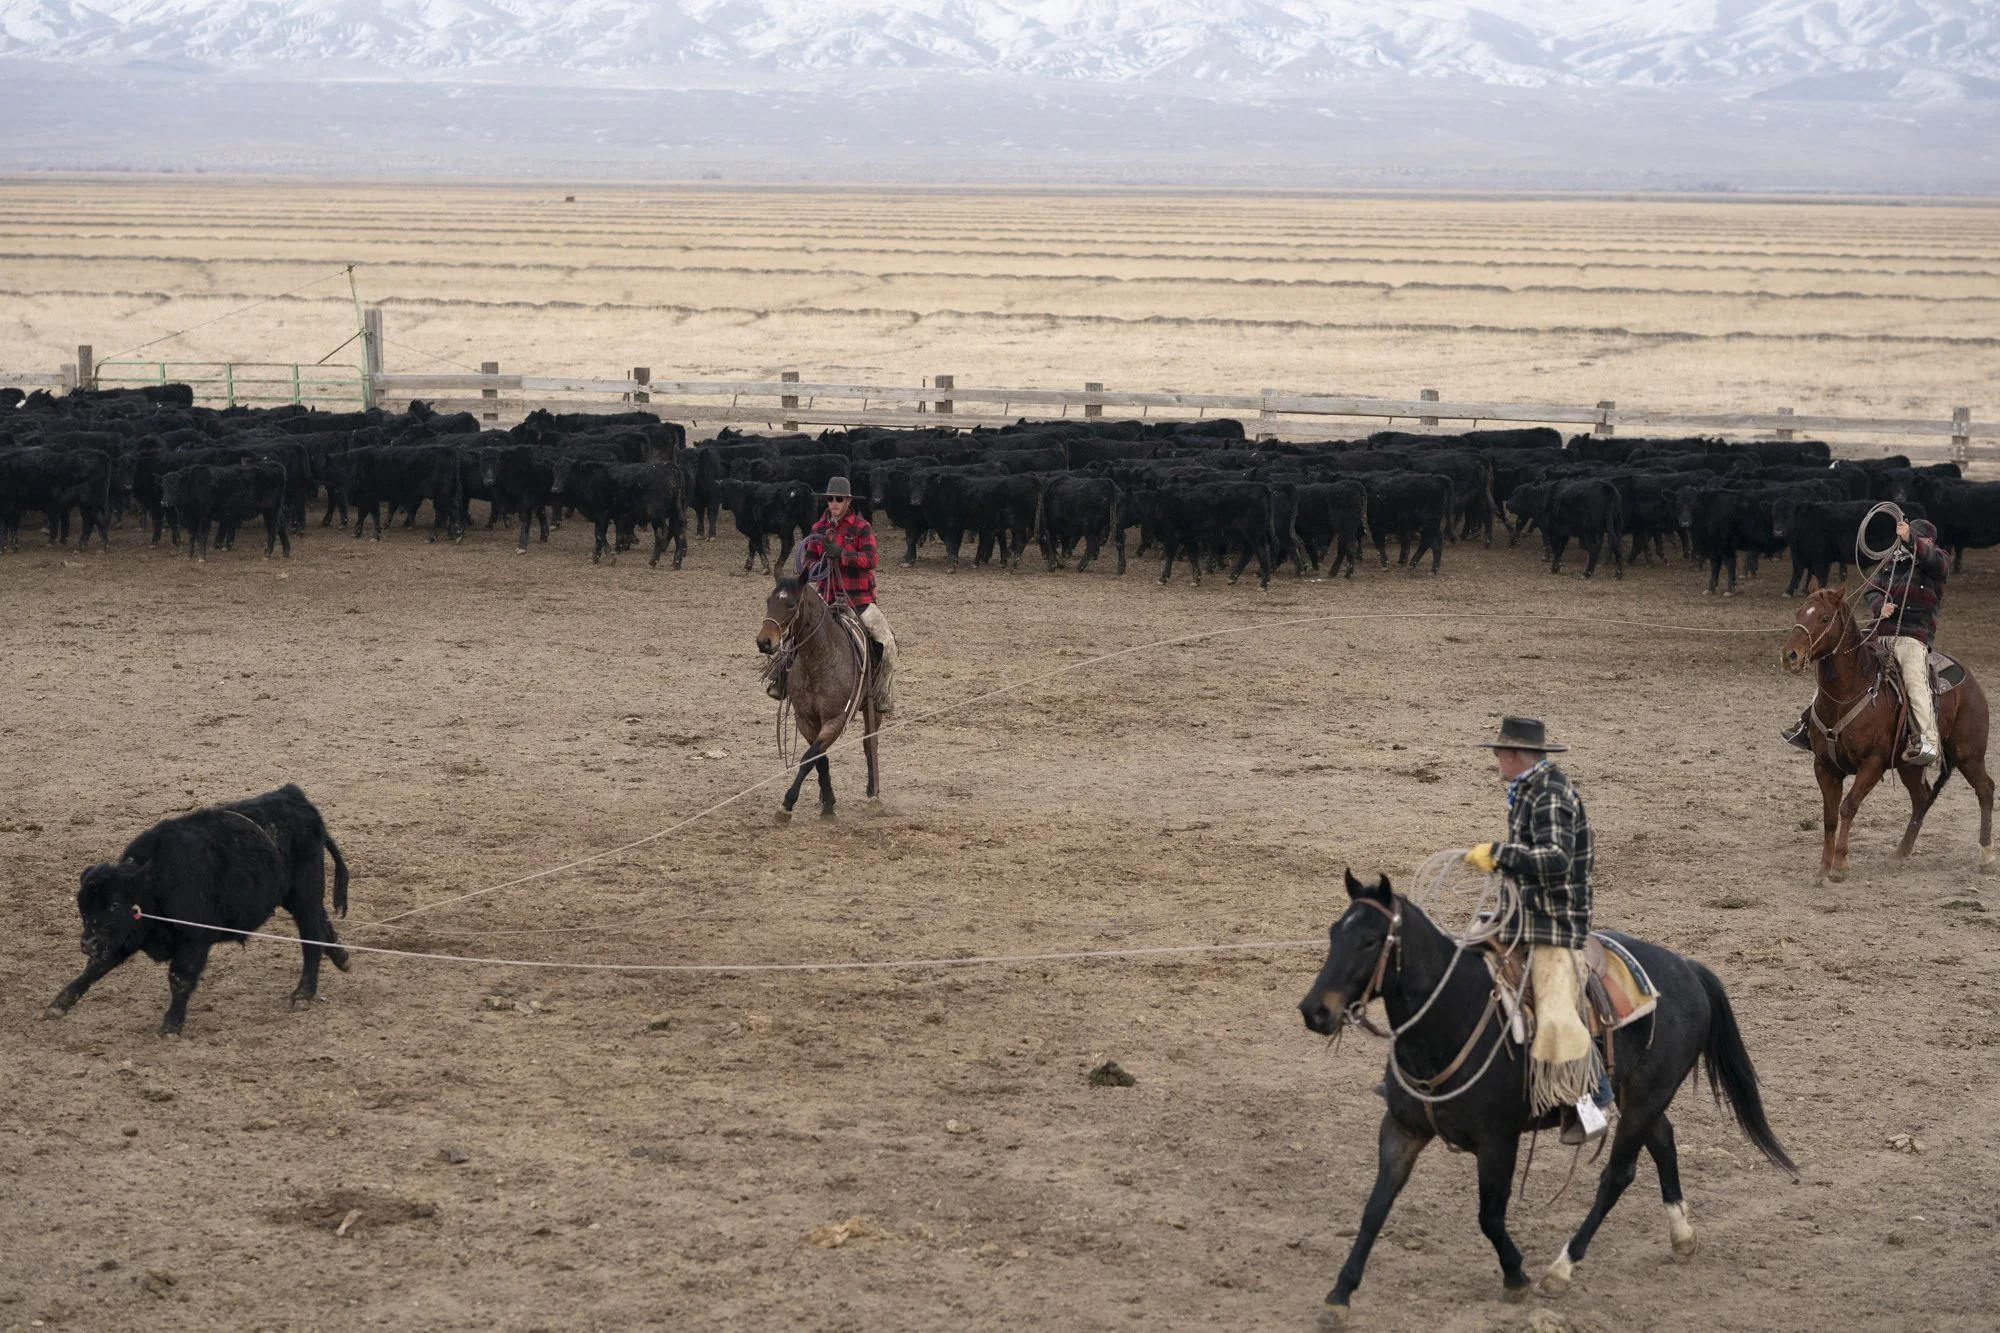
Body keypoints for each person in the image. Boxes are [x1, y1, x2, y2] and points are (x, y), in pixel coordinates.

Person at [1463, 717, 1611, 1145]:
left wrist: (1500, 854)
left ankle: (1593, 1099)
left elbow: (1556, 858)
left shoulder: (1550, 794)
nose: (1495, 759)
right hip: (1523, 915)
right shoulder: (1529, 789)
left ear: (1514, 755)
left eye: (1498, 753)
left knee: (1556, 1009)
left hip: (1554, 923)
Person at [1783, 516, 1948, 762]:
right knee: (1839, 668)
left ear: (1929, 541)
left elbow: (1933, 560)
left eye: (1914, 538)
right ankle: (1807, 723)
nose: (1905, 543)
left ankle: (1927, 739)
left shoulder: (1938, 561)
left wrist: (1911, 541)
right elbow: (1872, 589)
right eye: (1905, 538)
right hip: (1878, 632)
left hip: (1912, 635)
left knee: (1914, 678)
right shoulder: (1891, 562)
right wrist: (1880, 605)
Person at [795, 477, 897, 716]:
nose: (834, 503)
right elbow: (807, 559)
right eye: (830, 499)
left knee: (887, 643)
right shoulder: (818, 528)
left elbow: (871, 559)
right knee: (792, 634)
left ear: (848, 501)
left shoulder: (862, 528)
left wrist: (842, 554)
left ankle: (881, 692)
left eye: (839, 499)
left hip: (858, 600)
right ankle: (781, 682)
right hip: (825, 597)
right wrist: (816, 565)